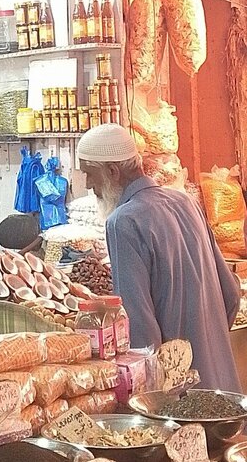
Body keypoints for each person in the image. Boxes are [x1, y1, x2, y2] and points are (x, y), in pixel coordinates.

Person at [76, 124, 241, 391]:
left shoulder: (123, 222)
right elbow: (231, 293)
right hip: (225, 387)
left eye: (89, 174)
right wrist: (210, 344)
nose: (87, 185)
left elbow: (141, 330)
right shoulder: (186, 203)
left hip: (180, 398)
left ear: (112, 171)